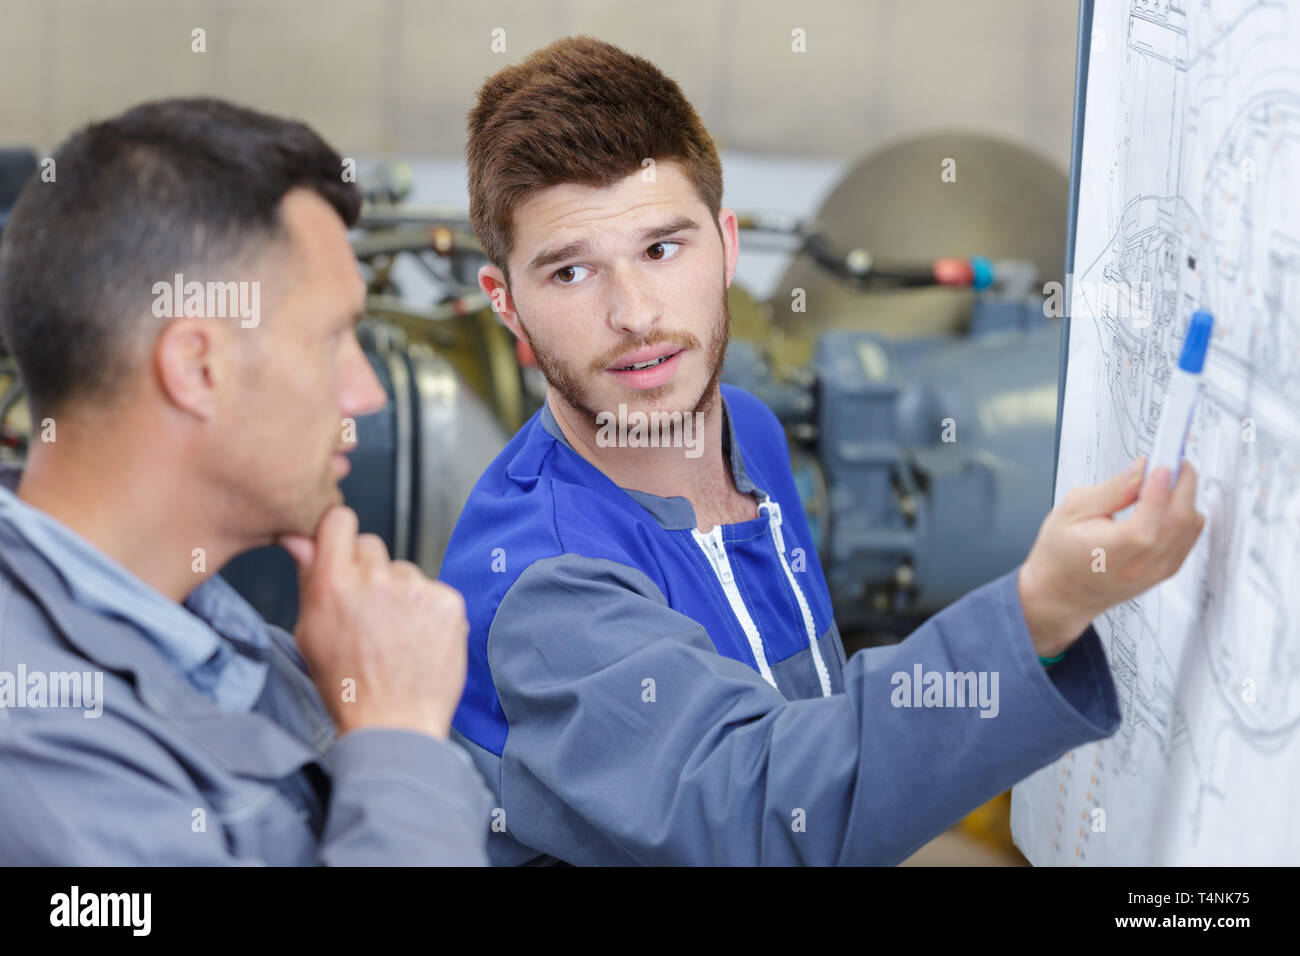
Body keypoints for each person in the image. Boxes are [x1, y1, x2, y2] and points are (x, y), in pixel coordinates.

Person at [439, 36, 1206, 865]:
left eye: (662, 249)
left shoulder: (751, 434)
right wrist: (1037, 613)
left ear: (727, 244)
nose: (633, 313)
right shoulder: (542, 586)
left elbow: (807, 724)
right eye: (570, 274)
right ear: (505, 303)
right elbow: (761, 811)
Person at [0, 98, 490, 865]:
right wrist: (396, 742)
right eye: (335, 340)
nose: (369, 394)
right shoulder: (35, 740)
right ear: (198, 368)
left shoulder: (229, 648)